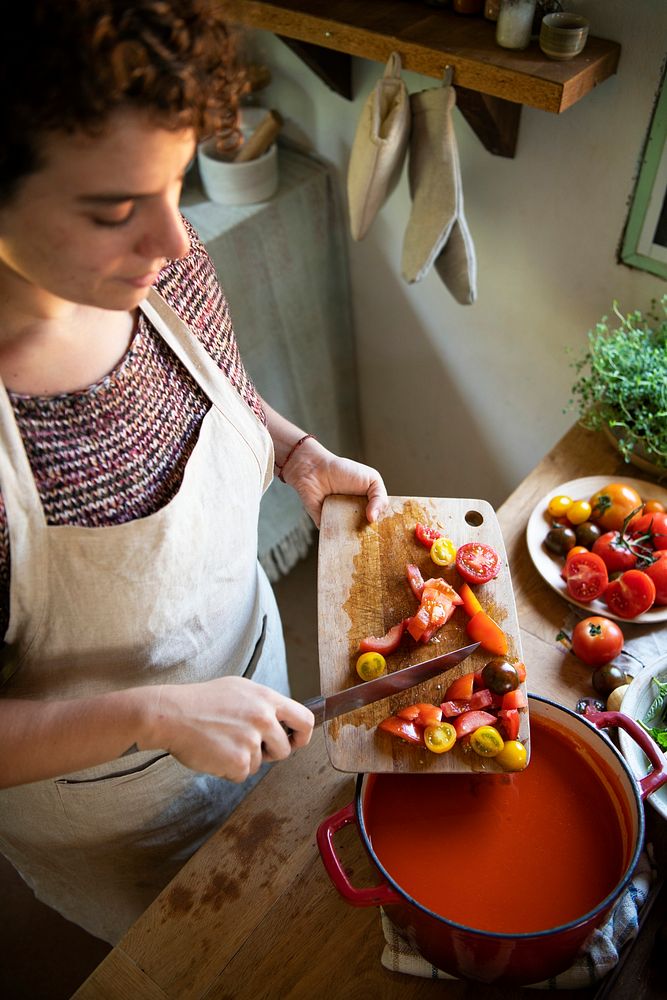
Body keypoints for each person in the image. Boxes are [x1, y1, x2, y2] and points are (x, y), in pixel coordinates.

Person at [0, 0, 387, 945]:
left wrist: (293, 452)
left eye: (176, 187)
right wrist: (155, 713)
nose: (174, 241)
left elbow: (222, 398)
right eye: (114, 210)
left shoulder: (162, 273)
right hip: (118, 818)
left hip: (258, 680)